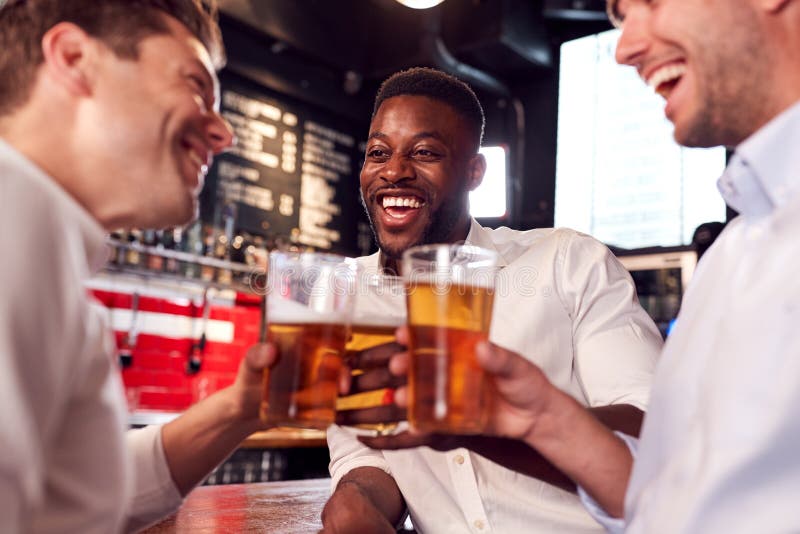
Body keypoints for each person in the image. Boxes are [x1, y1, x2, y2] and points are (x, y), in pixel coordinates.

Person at [382, 1, 800, 532]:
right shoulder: (736, 253)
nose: (624, 48)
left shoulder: (571, 259)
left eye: (649, 2)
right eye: (620, 16)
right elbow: (678, 499)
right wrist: (537, 419)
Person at [320, 67, 664, 533]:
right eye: (378, 152)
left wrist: (498, 421)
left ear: (474, 172)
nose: (395, 171)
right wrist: (356, 501)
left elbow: (650, 425)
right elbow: (368, 456)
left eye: (425, 152)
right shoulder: (344, 294)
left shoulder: (567, 261)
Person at [0, 1, 276, 532]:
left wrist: (244, 406)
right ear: (74, 57)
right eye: (195, 84)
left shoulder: (44, 242)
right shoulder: (16, 212)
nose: (223, 133)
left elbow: (77, 495)